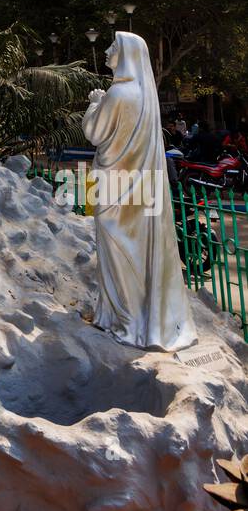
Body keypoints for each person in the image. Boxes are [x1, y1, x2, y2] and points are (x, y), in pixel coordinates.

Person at [82, 32, 195, 352]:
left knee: (117, 251)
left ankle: (127, 320)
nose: (107, 51)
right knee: (136, 252)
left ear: (128, 55)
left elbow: (94, 133)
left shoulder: (117, 94)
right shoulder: (144, 96)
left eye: (113, 47)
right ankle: (136, 317)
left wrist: (93, 105)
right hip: (140, 192)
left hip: (113, 192)